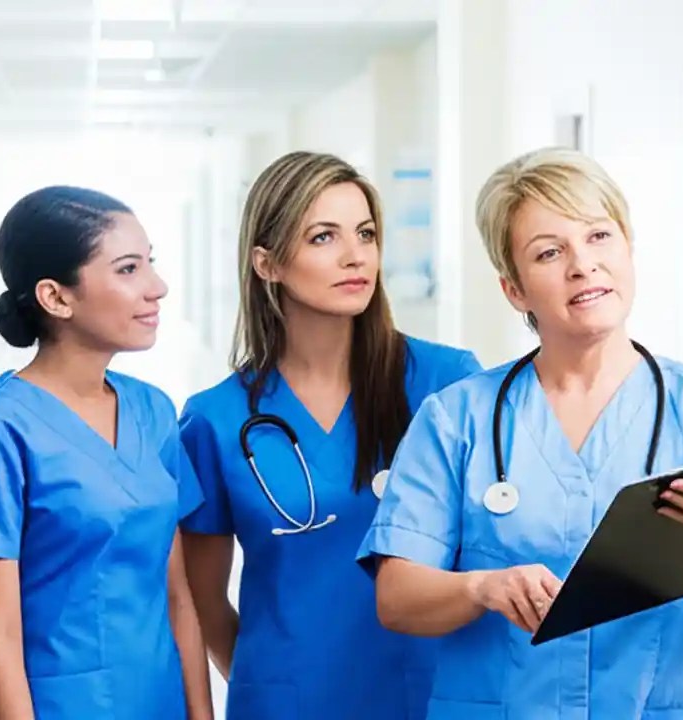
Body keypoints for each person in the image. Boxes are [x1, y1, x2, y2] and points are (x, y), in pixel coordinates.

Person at [356, 146, 683, 718]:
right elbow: (397, 598)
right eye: (549, 252)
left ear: (628, 248)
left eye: (599, 237)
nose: (583, 265)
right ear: (515, 289)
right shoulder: (457, 420)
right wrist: (481, 588)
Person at [177, 151, 483, 719]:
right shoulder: (215, 420)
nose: (355, 256)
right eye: (323, 237)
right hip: (288, 701)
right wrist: (273, 680)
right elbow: (202, 598)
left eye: (365, 233)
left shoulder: (448, 385)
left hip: (428, 693)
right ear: (266, 264)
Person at [0, 185, 213, 720]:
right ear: (56, 297)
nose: (156, 288)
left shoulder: (154, 411)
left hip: (158, 702)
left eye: (149, 265)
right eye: (129, 269)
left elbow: (179, 595)